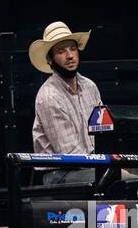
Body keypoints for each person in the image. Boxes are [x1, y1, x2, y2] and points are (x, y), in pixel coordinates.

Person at [30, 21, 103, 187]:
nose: (70, 55)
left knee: (129, 177)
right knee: (120, 179)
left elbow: (103, 133)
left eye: (72, 49)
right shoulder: (49, 96)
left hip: (91, 166)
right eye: (61, 51)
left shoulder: (90, 87)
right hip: (60, 174)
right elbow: (71, 155)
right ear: (50, 59)